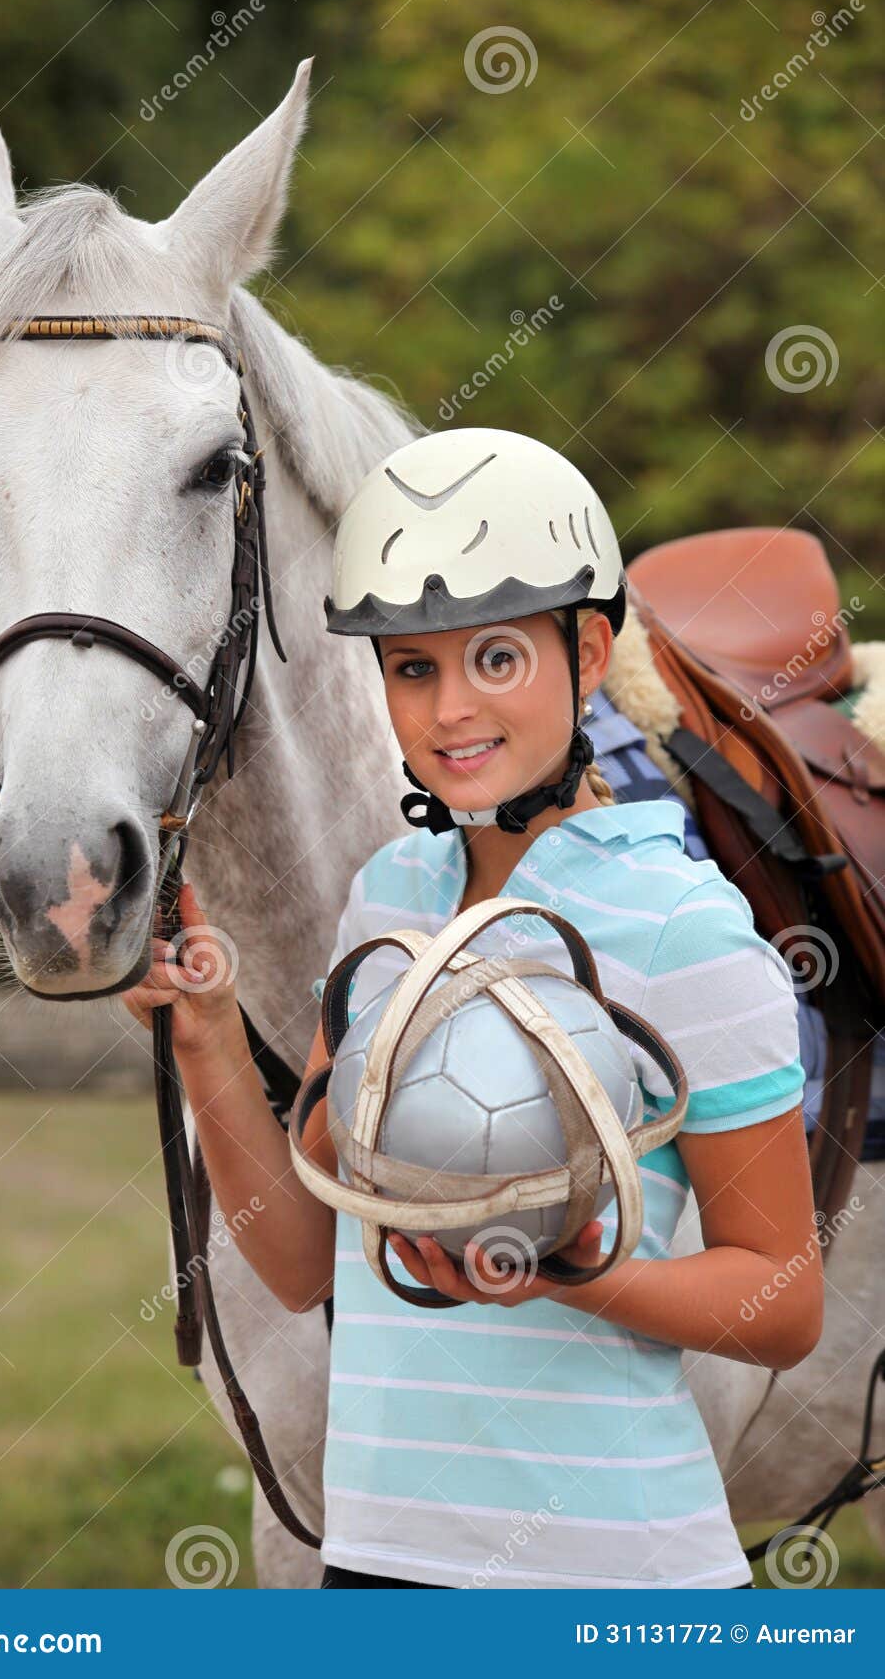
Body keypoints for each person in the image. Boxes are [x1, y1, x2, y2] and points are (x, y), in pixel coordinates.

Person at [123, 428, 820, 1590]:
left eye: (496, 657)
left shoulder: (683, 926)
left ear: (585, 652)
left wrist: (563, 1276)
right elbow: (302, 1263)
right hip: (375, 1568)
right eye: (412, 668)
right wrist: (207, 1039)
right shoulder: (386, 895)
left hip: (612, 1582)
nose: (450, 710)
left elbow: (780, 1300)